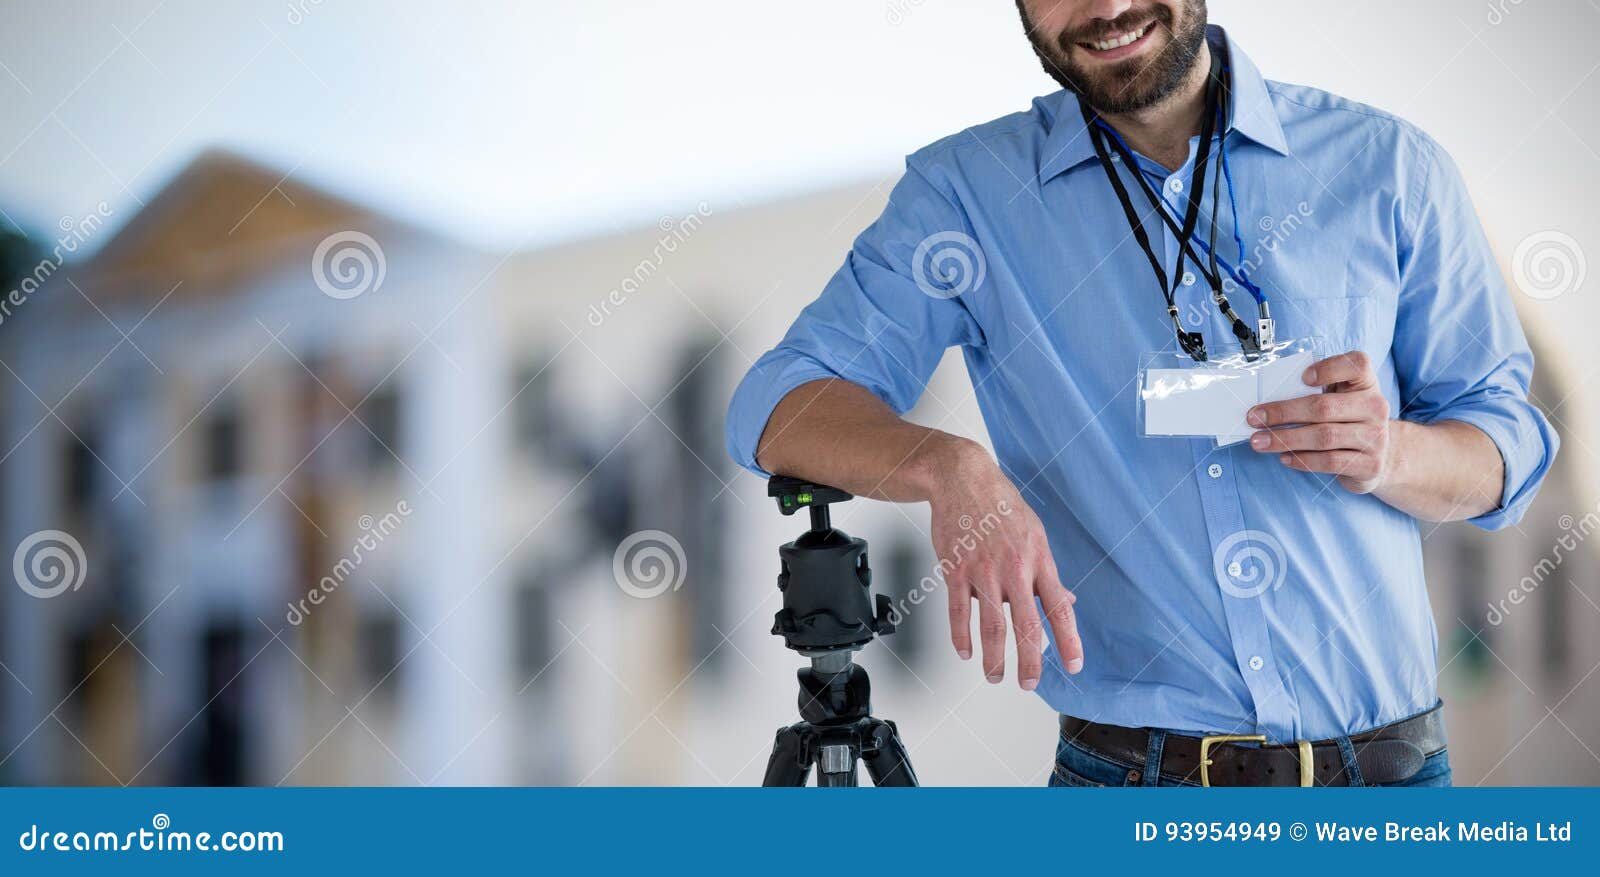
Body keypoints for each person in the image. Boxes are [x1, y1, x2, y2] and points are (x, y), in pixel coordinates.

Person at [724, 0, 1556, 787]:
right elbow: (775, 403)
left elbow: (1505, 449)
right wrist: (946, 466)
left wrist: (1395, 450)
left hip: (1390, 791)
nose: (1105, 8)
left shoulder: (1390, 167)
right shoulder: (966, 199)